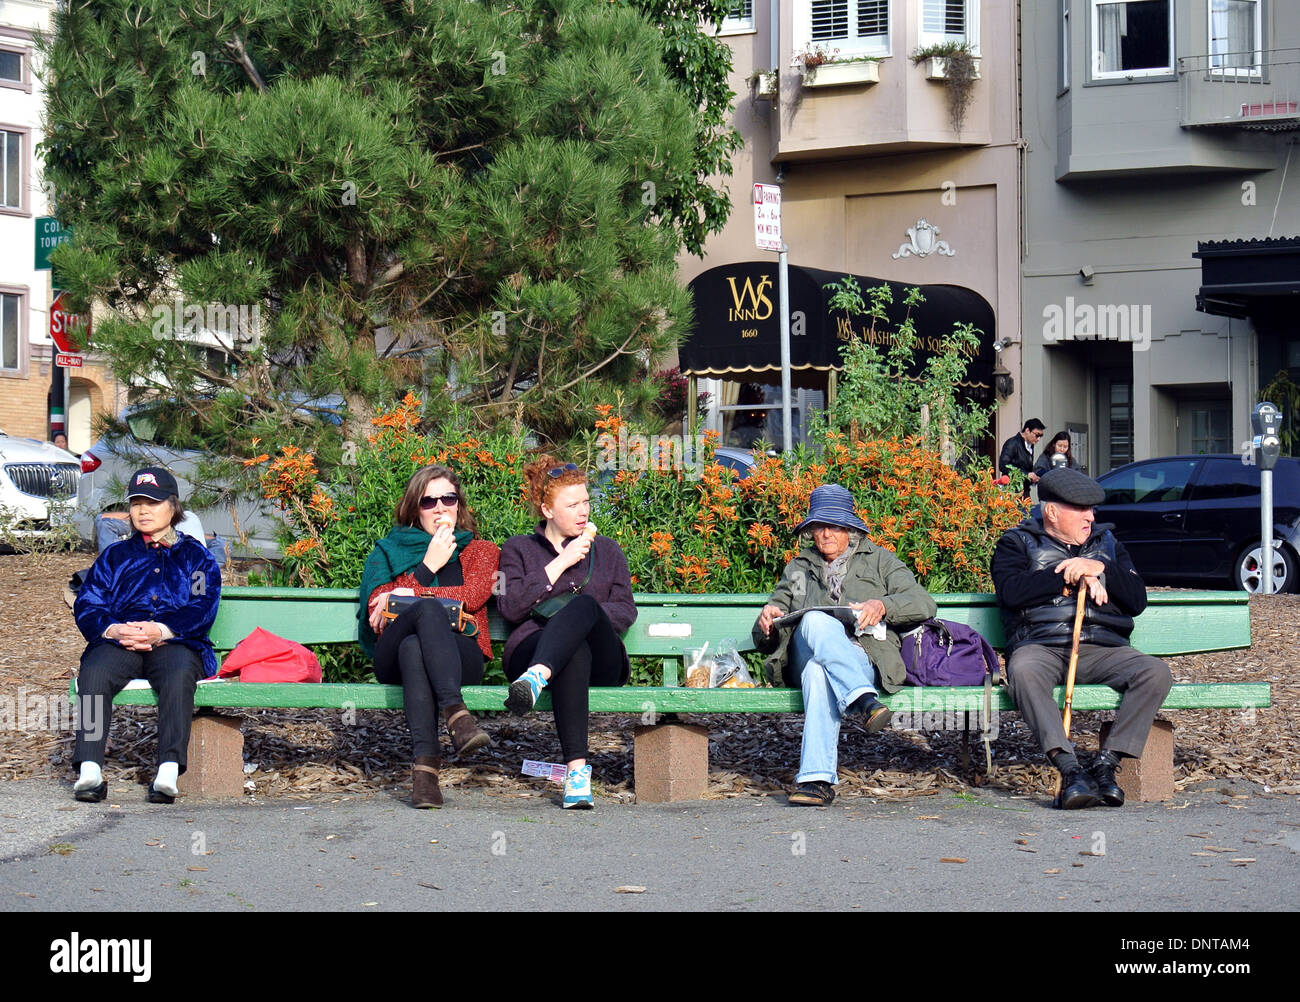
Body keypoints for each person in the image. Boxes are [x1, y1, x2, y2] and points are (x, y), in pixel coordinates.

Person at [990, 466, 1172, 809]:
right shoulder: (1017, 542)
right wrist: (1066, 577)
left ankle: (1106, 766)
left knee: (1155, 672)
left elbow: (1136, 600)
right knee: (1024, 672)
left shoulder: (1108, 544)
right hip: (1041, 645)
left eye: (1092, 509)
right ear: (1052, 511)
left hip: (1103, 648)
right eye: (1080, 509)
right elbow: (1012, 593)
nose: (1090, 516)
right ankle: (1070, 768)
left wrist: (1100, 568)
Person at [752, 484, 937, 807]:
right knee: (814, 622)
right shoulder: (799, 567)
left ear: (850, 528)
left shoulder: (879, 560)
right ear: (810, 530)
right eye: (819, 527)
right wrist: (766, 621)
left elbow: (923, 603)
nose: (825, 534)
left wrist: (883, 605)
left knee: (818, 672)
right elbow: (770, 631)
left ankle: (815, 781)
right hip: (803, 652)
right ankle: (864, 701)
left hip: (862, 654)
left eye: (834, 526)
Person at [71, 467, 222, 804]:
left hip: (174, 643)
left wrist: (162, 630)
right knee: (95, 670)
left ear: (173, 506)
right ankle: (90, 769)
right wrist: (113, 628)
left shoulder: (195, 558)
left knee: (179, 673)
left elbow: (201, 605)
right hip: (120, 642)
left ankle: (168, 770)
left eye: (152, 503)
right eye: (136, 503)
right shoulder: (115, 556)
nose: (142, 510)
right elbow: (90, 602)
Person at [497, 457, 636, 809]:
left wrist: (576, 620)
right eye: (572, 505)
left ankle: (536, 678)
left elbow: (624, 610)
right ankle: (577, 775)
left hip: (602, 659)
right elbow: (511, 607)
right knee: (573, 651)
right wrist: (561, 562)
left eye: (586, 501)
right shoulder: (518, 549)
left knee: (583, 607)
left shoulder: (607, 550)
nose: (583, 511)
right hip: (534, 646)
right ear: (546, 509)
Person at [359, 465, 499, 809]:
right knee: (427, 614)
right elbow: (377, 608)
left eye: (448, 498)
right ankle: (457, 715)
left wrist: (404, 594)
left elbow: (473, 594)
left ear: (458, 504)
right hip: (388, 656)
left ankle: (425, 775)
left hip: (461, 656)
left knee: (414, 645)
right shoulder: (388, 550)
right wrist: (428, 567)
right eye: (428, 501)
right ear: (413, 508)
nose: (440, 508)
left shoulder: (482, 551)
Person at [999, 418, 1046, 495]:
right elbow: (1003, 466)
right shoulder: (1012, 443)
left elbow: (1024, 467)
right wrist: (1026, 474)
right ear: (1027, 431)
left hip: (1024, 489)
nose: (1038, 439)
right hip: (1012, 489)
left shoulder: (1030, 444)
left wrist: (1032, 477)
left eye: (1041, 436)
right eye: (1037, 435)